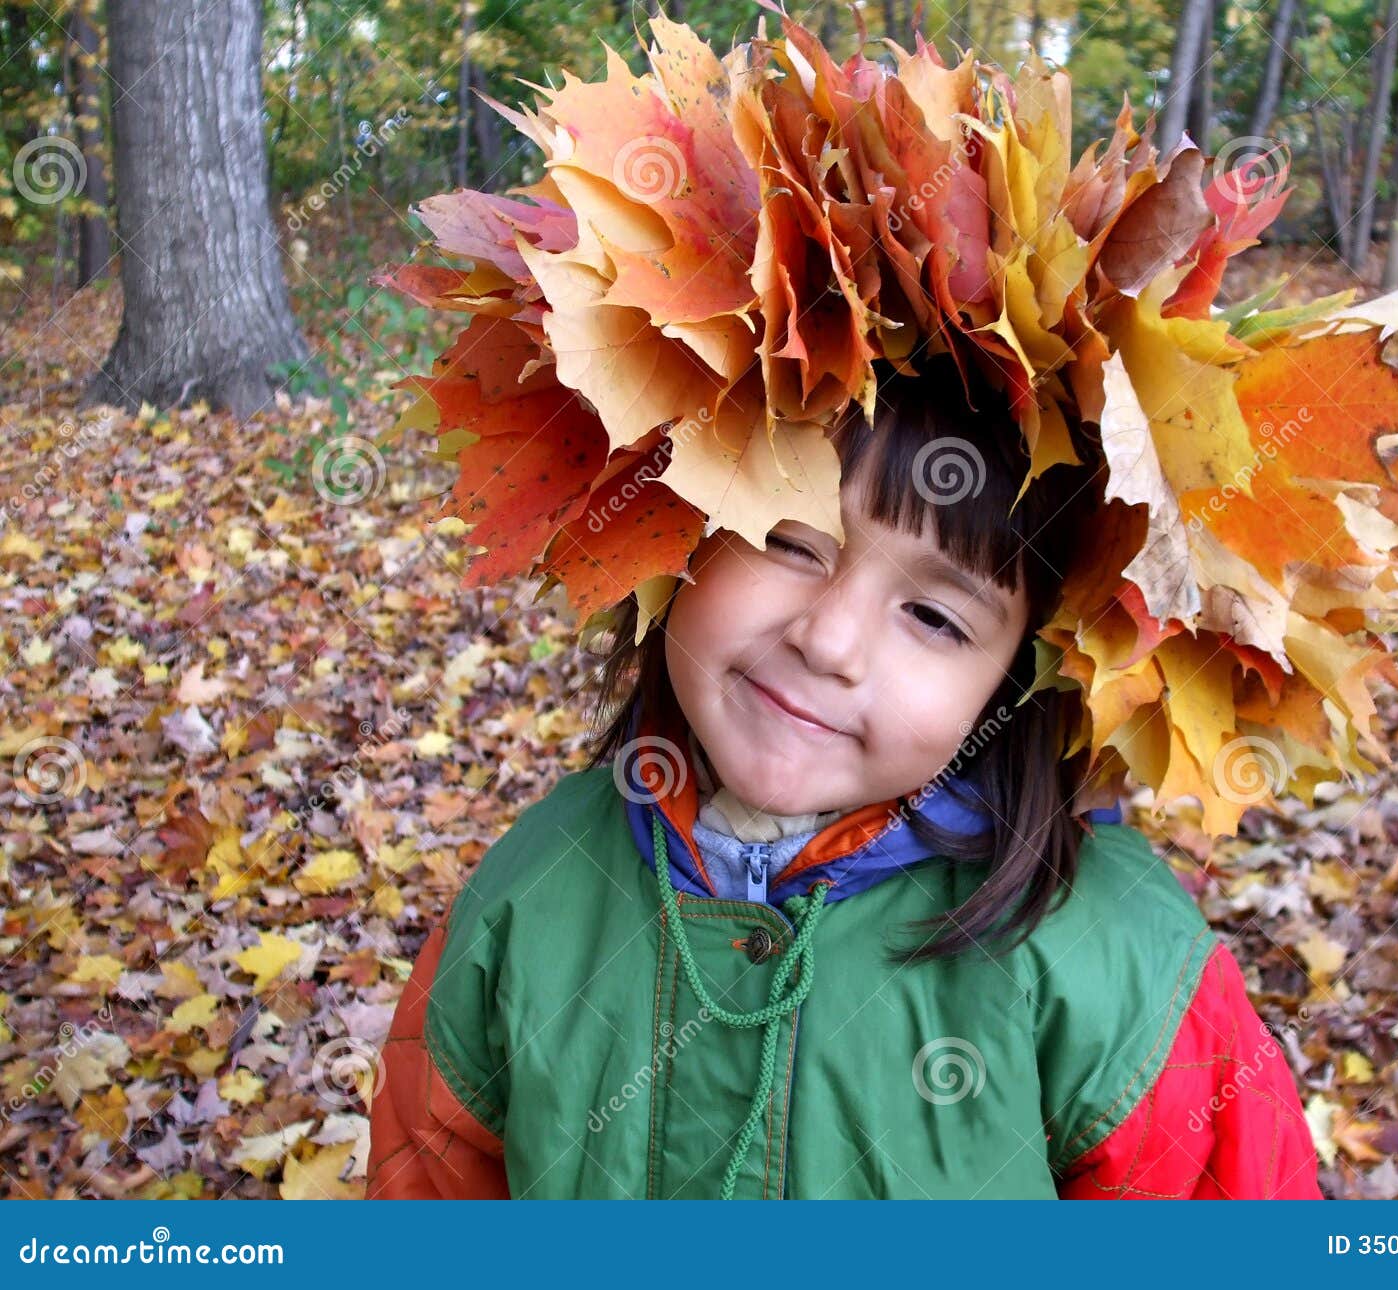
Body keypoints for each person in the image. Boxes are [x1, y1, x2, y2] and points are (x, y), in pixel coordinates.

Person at [364, 354, 1324, 1200]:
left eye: (936, 619)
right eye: (788, 541)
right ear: (677, 527)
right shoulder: (531, 896)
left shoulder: (1110, 961)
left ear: (1031, 679)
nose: (827, 640)